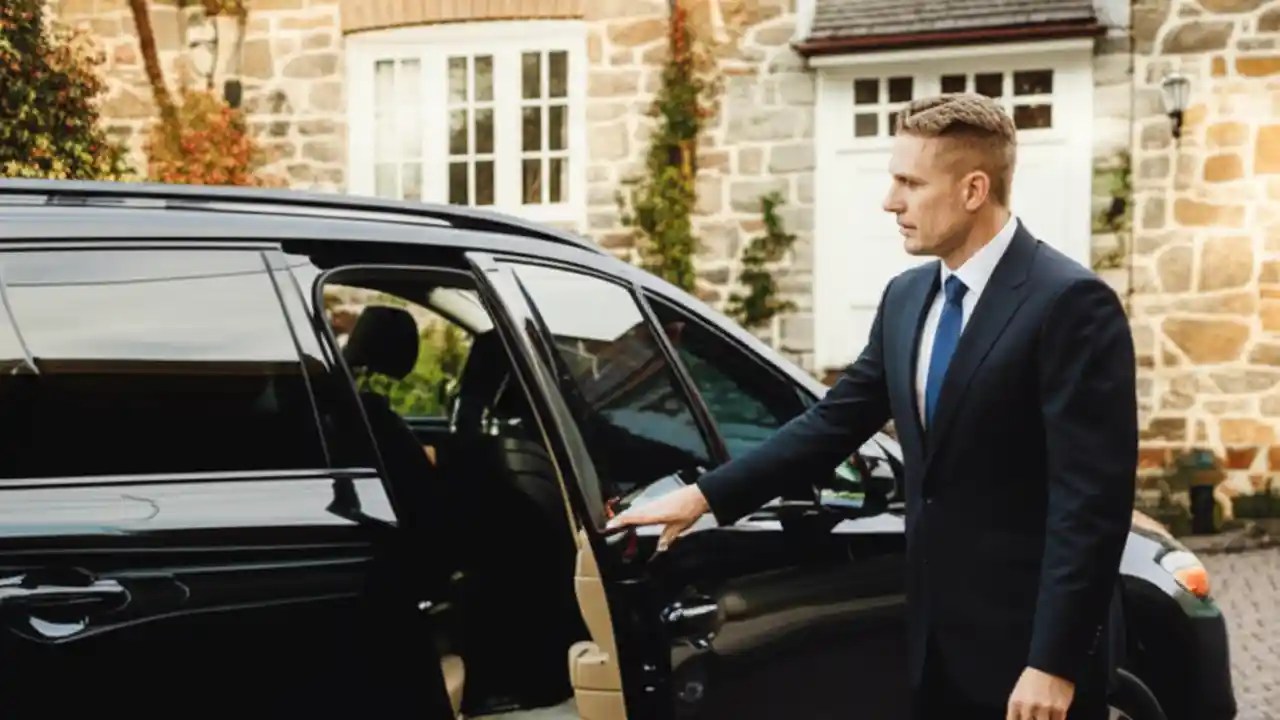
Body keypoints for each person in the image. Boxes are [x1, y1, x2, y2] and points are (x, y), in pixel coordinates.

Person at [604, 92, 1138, 720]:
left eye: (910, 182)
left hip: (1033, 664)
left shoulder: (1070, 303)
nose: (890, 201)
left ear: (973, 190)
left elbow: (1090, 506)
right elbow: (833, 424)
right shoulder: (907, 297)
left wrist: (1054, 662)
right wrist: (703, 498)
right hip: (933, 650)